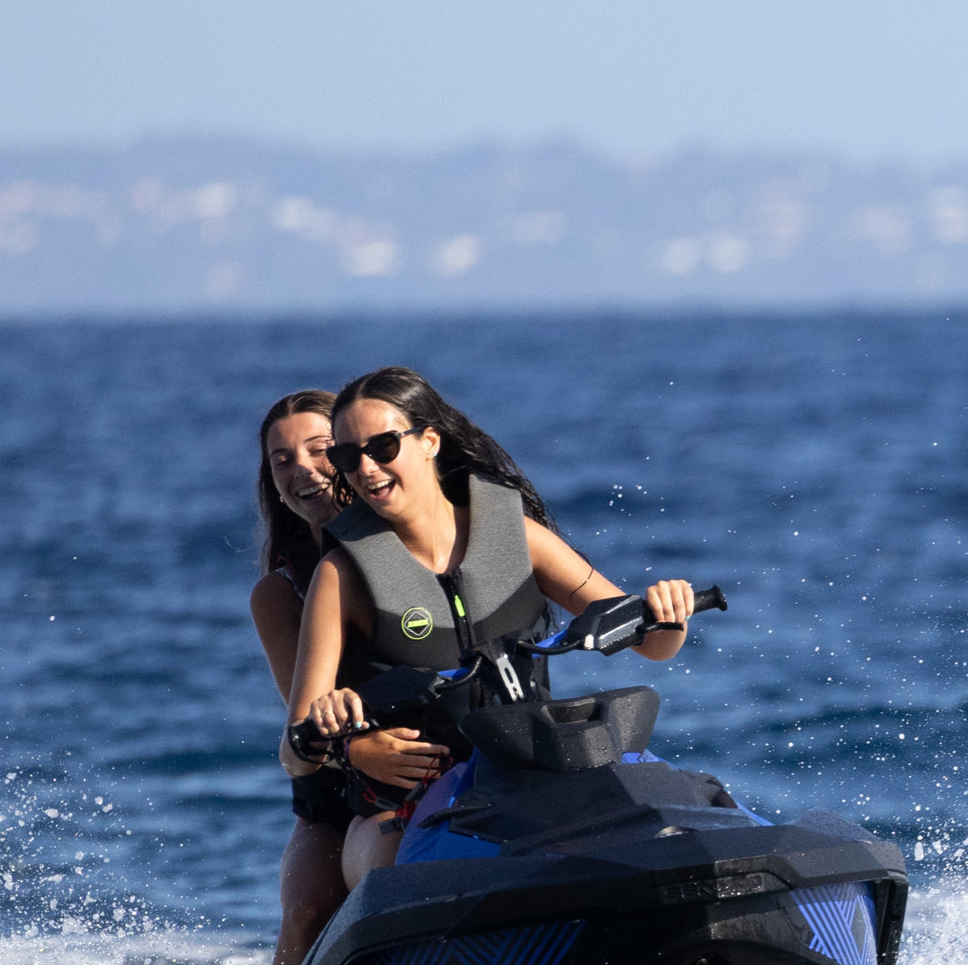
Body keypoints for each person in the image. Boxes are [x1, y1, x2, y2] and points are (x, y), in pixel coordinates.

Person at [280, 367, 695, 891]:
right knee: (389, 857)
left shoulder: (517, 537)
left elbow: (653, 644)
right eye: (347, 456)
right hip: (403, 810)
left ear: (429, 441)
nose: (365, 468)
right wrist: (341, 738)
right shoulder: (340, 576)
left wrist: (669, 614)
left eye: (383, 447)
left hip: (529, 782)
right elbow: (294, 756)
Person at [251, 389, 449, 965]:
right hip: (338, 784)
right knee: (309, 907)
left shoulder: (423, 539)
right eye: (282, 461)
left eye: (318, 450)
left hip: (441, 756)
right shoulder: (281, 592)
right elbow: (300, 726)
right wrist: (355, 749)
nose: (303, 470)